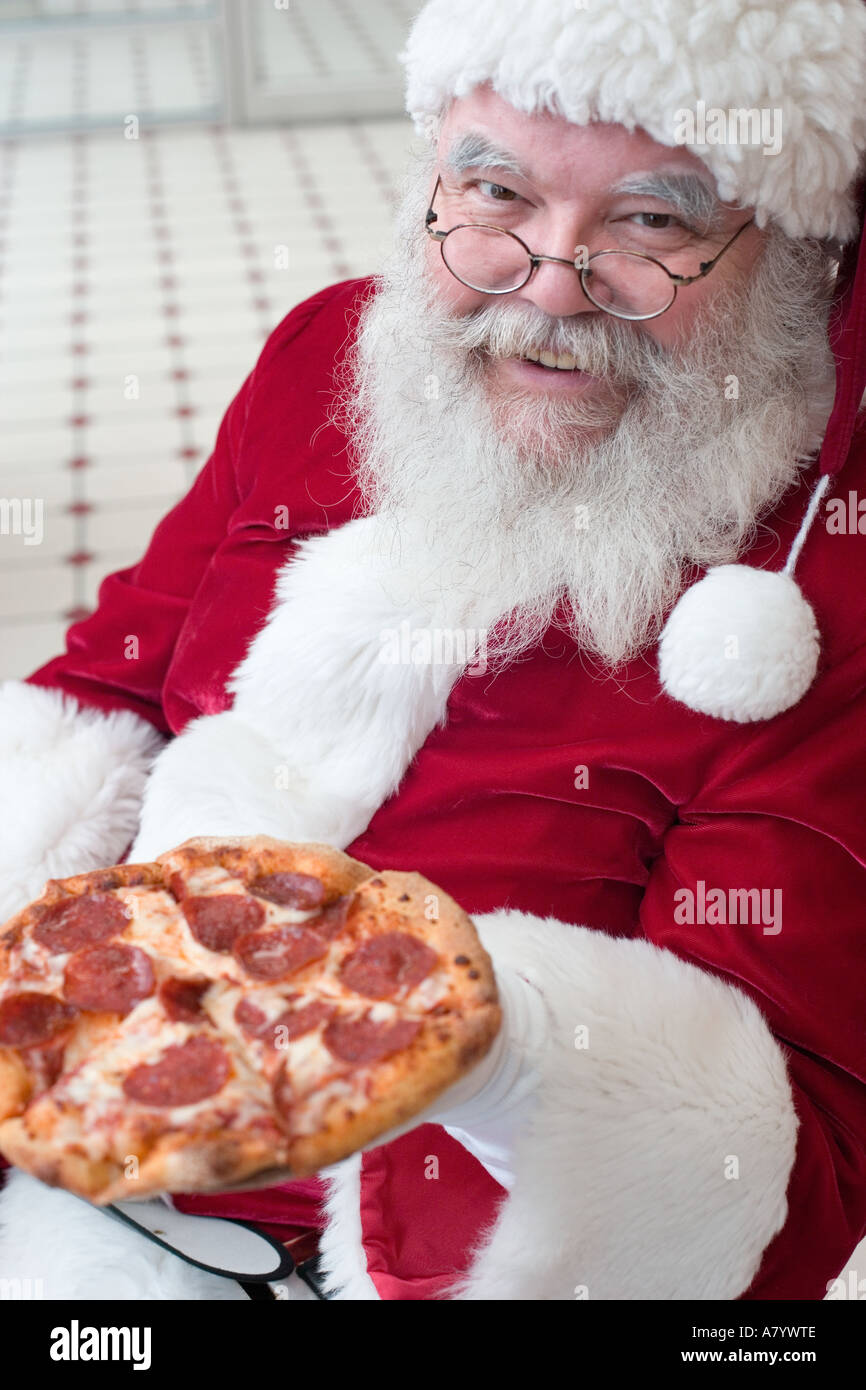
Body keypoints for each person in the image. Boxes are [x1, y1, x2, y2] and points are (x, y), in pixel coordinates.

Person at [1, 0, 866, 1301]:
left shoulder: (826, 576)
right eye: (496, 190)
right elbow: (112, 678)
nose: (551, 280)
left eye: (653, 219)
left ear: (794, 246)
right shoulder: (323, 356)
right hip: (91, 1169)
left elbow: (772, 1168)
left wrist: (447, 1036)